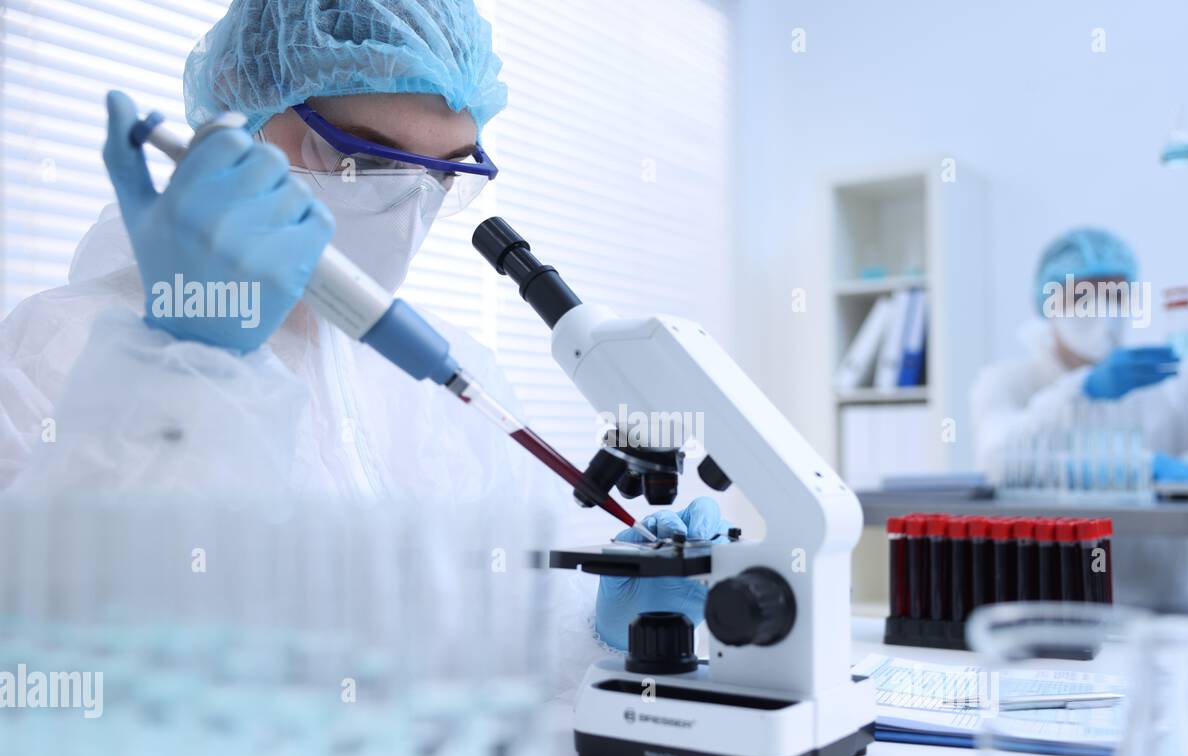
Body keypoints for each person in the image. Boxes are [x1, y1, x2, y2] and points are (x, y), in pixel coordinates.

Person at [0, 0, 716, 657]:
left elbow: (499, 644)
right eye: (364, 158)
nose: (407, 208)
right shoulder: (56, 346)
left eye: (441, 173)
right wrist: (185, 370)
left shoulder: (455, 373)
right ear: (240, 120)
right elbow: (47, 651)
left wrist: (603, 624)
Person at [971, 227, 1188, 630]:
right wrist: (1081, 391)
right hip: (1052, 615)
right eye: (1082, 295)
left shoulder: (1182, 376)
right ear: (1048, 301)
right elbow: (999, 461)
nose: (1101, 309)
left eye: (1116, 295)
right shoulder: (1007, 382)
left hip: (1170, 612)